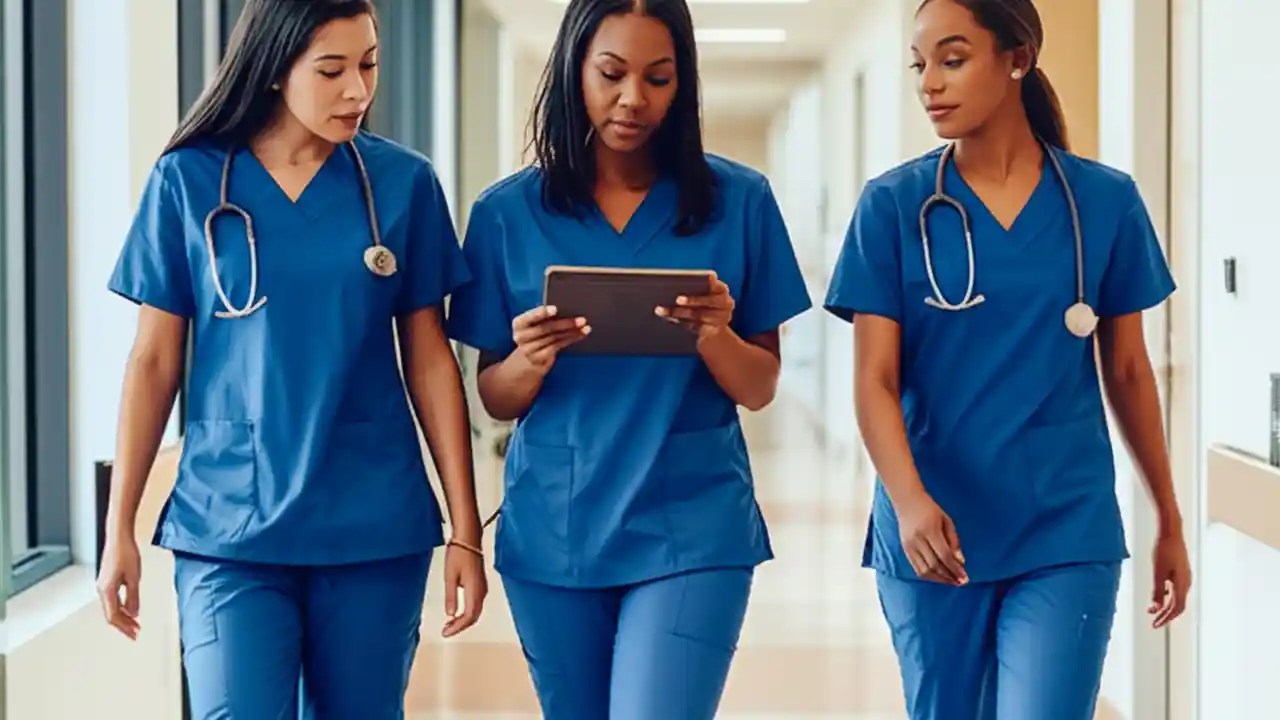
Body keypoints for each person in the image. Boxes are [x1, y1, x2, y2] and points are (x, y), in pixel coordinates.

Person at [95, 1, 487, 717]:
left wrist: (466, 527)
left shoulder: (403, 185)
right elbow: (153, 363)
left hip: (371, 524)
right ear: (275, 70)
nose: (357, 92)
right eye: (331, 70)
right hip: (228, 525)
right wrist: (117, 528)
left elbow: (431, 362)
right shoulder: (189, 183)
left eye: (368, 65)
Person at [822, 1, 1191, 718]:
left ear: (1017, 57)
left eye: (952, 59)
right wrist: (909, 501)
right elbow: (874, 379)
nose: (929, 82)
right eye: (919, 64)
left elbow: (1128, 372)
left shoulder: (1104, 204)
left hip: (1064, 525)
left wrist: (1169, 520)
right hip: (935, 532)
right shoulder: (894, 207)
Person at [445, 0, 812, 717]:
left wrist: (713, 335)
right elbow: (495, 395)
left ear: (685, 85)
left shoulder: (739, 202)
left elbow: (761, 385)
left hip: (692, 527)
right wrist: (531, 358)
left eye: (659, 78)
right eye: (611, 74)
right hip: (556, 528)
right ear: (574, 70)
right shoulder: (507, 213)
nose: (633, 99)